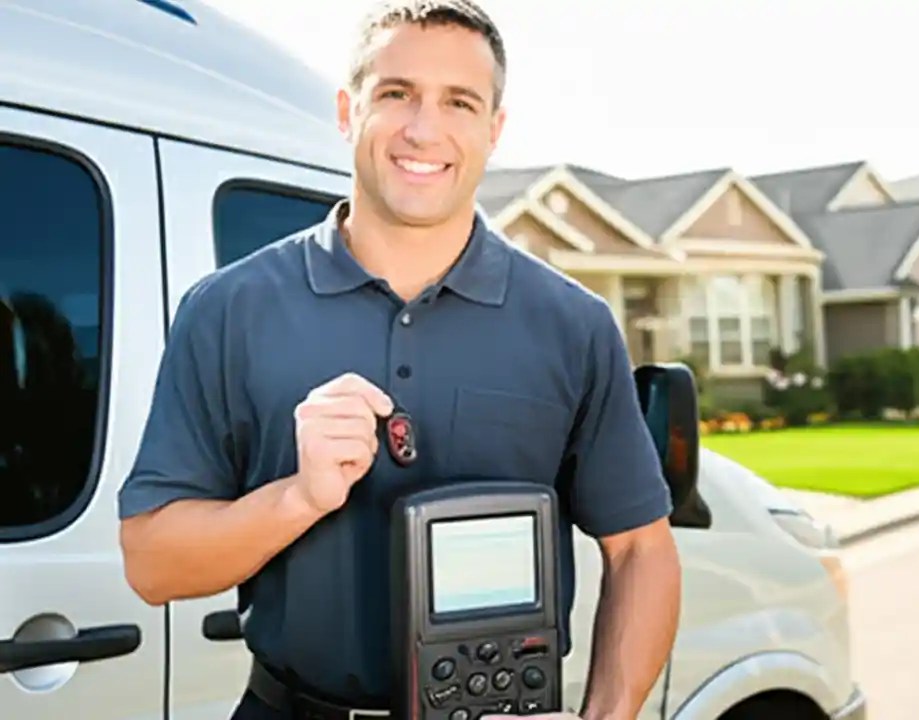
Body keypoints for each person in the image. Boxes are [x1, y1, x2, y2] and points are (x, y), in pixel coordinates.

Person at [116, 2, 682, 719]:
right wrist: (299, 497)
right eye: (396, 94)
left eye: (459, 102)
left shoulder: (574, 326)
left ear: (493, 130)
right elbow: (151, 564)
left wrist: (608, 716)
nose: (424, 129)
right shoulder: (229, 310)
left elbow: (640, 550)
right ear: (349, 111)